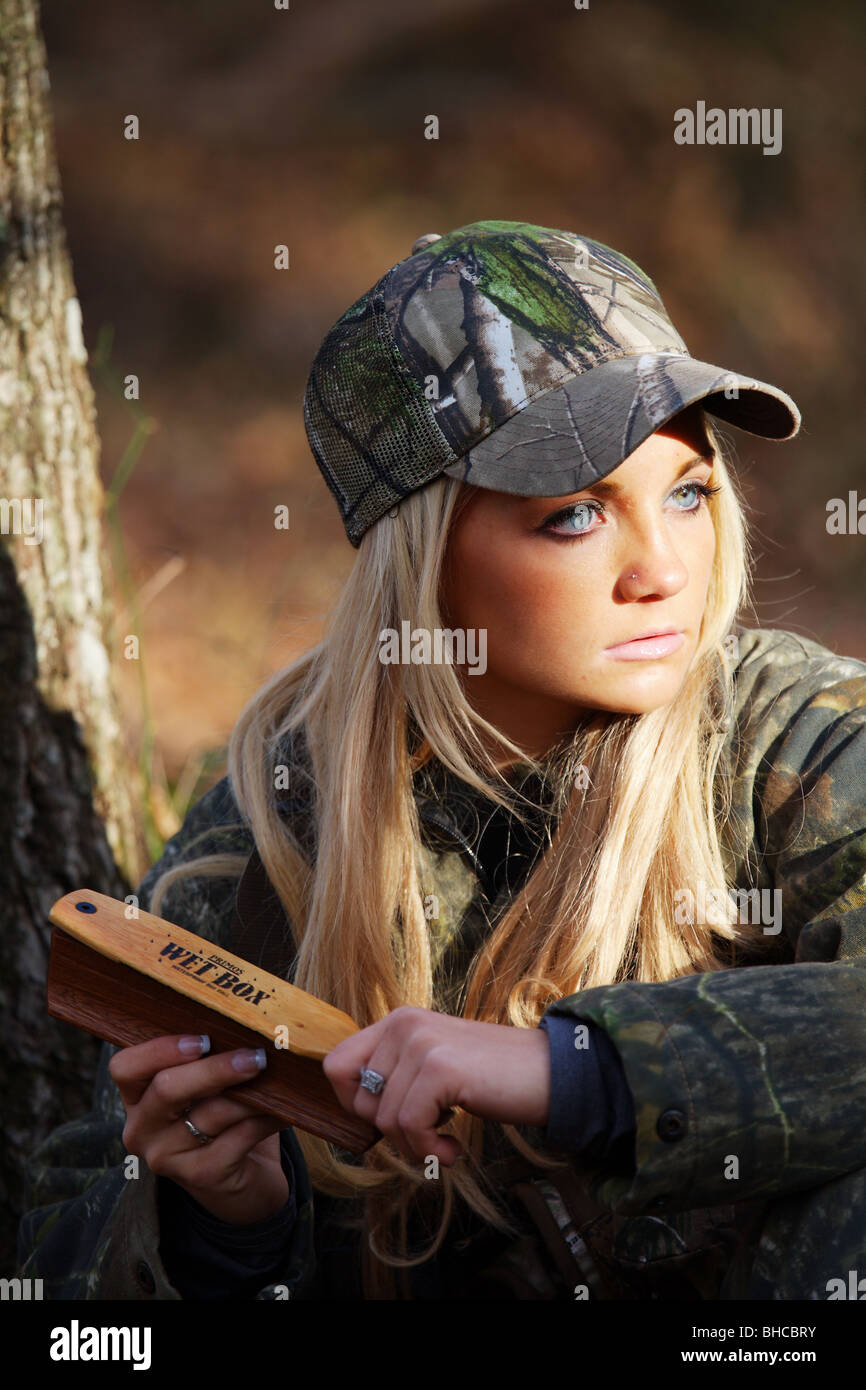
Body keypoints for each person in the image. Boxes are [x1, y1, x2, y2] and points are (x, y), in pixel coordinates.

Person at [17, 219, 866, 1301]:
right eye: (572, 516)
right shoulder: (281, 830)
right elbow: (61, 1285)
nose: (661, 567)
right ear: (424, 561)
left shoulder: (791, 737)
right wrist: (220, 1229)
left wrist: (577, 1069)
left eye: (686, 492)